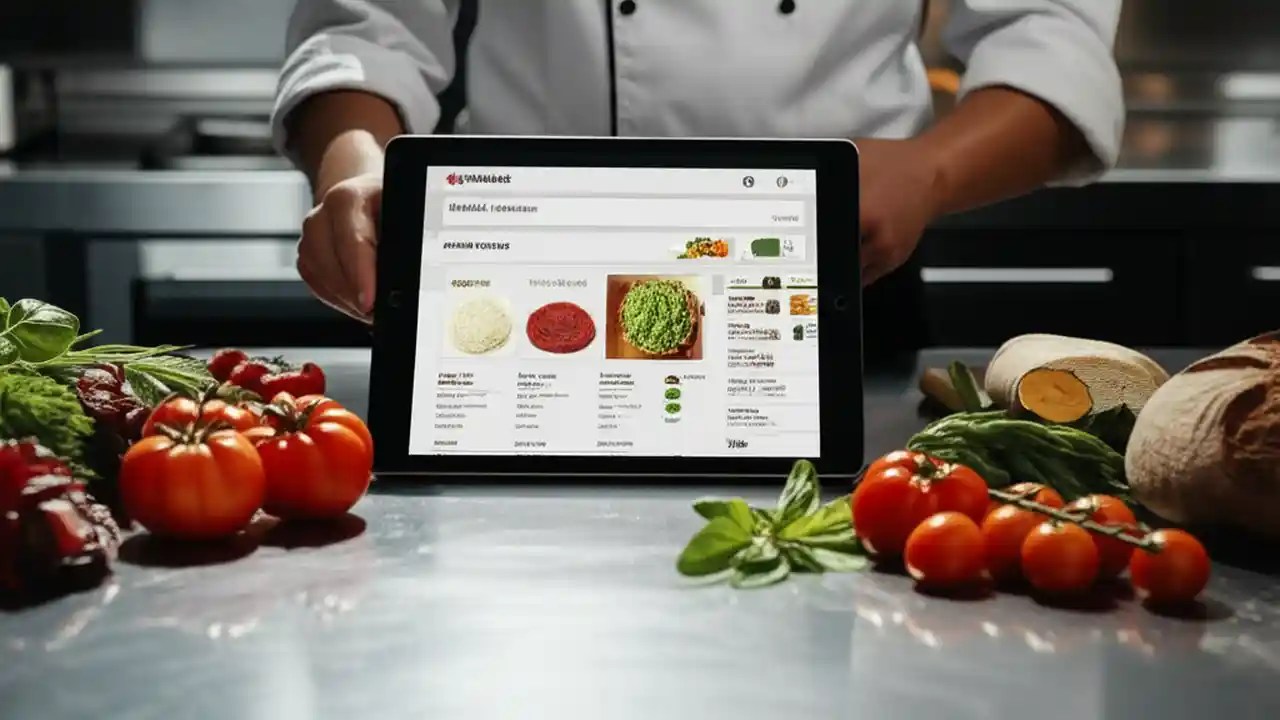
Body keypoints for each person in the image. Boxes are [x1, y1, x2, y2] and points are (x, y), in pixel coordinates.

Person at [272, 0, 1122, 366]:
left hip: (831, 274)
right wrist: (360, 163)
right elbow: (366, 23)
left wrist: (930, 171)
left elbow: (1051, 31)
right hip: (518, 259)